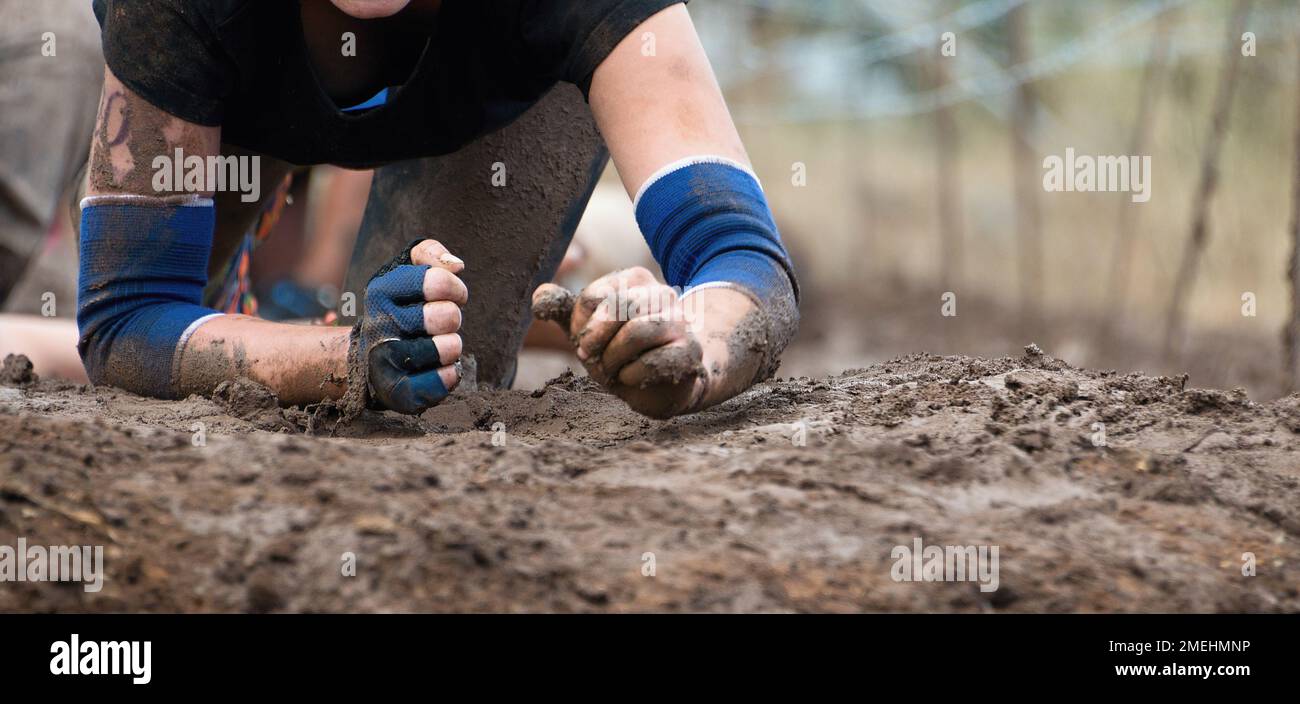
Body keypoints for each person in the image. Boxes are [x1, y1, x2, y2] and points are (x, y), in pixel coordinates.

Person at [81, 0, 799, 419]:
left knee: (438, 394)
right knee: (170, 391)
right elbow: (125, 321)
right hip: (237, 102)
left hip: (496, 111)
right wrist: (342, 357)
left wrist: (693, 349)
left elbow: (741, 258)